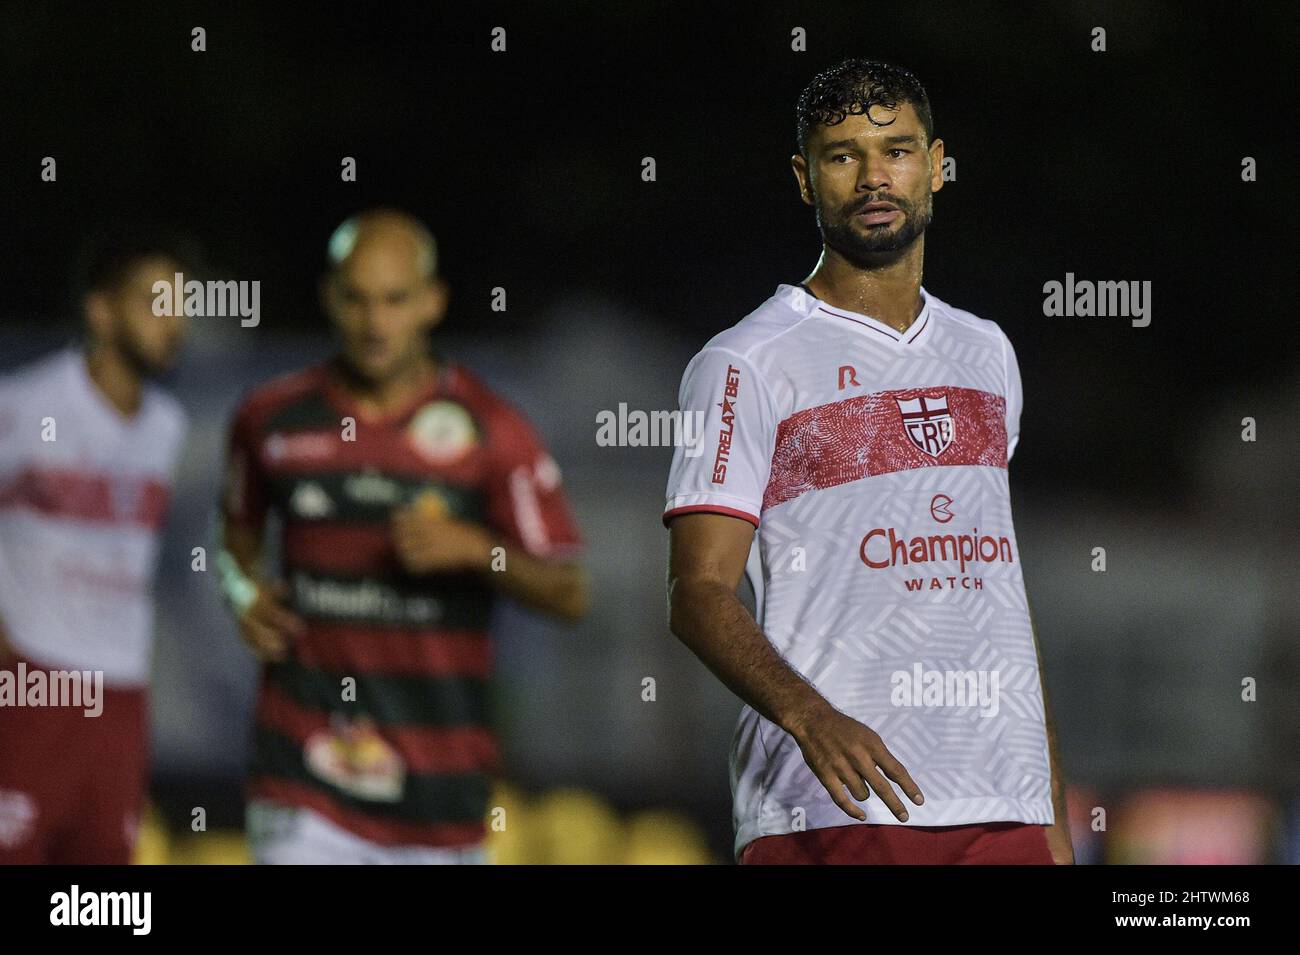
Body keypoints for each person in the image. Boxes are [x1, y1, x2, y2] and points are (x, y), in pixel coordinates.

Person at [663, 58, 1074, 864]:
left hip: (1001, 803)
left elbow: (996, 594)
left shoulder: (985, 351)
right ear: (804, 178)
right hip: (833, 803)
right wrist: (811, 717)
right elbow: (697, 593)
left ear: (938, 165)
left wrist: (1050, 803)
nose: (874, 176)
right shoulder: (745, 362)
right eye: (844, 154)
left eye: (898, 150)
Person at [218, 208, 588, 864]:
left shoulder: (491, 429)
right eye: (356, 299)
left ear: (431, 301)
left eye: (394, 300)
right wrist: (242, 587)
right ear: (329, 297)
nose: (374, 322)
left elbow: (568, 590)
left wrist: (478, 549)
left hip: (440, 798)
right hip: (302, 778)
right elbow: (235, 531)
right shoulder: (269, 419)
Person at [0, 236, 191, 863]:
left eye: (182, 302)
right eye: (153, 301)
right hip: (33, 683)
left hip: (122, 696)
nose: (174, 319)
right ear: (101, 311)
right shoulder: (23, 407)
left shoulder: (169, 426)